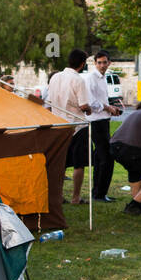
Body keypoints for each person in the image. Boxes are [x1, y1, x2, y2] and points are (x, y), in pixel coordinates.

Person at [45, 49, 93, 203]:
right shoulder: (78, 80)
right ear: (82, 63)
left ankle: (57, 195)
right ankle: (76, 196)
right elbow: (84, 105)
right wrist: (90, 109)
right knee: (79, 164)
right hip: (77, 125)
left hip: (59, 125)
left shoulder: (55, 77)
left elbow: (50, 101)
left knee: (61, 163)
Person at [84, 49, 123, 202]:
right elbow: (91, 102)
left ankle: (98, 193)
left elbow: (99, 101)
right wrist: (108, 108)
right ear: (95, 63)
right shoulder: (91, 78)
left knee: (101, 157)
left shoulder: (103, 78)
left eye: (104, 62)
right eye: (99, 63)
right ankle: (99, 193)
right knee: (106, 157)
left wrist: (111, 109)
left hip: (103, 120)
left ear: (109, 63)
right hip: (95, 122)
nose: (102, 65)